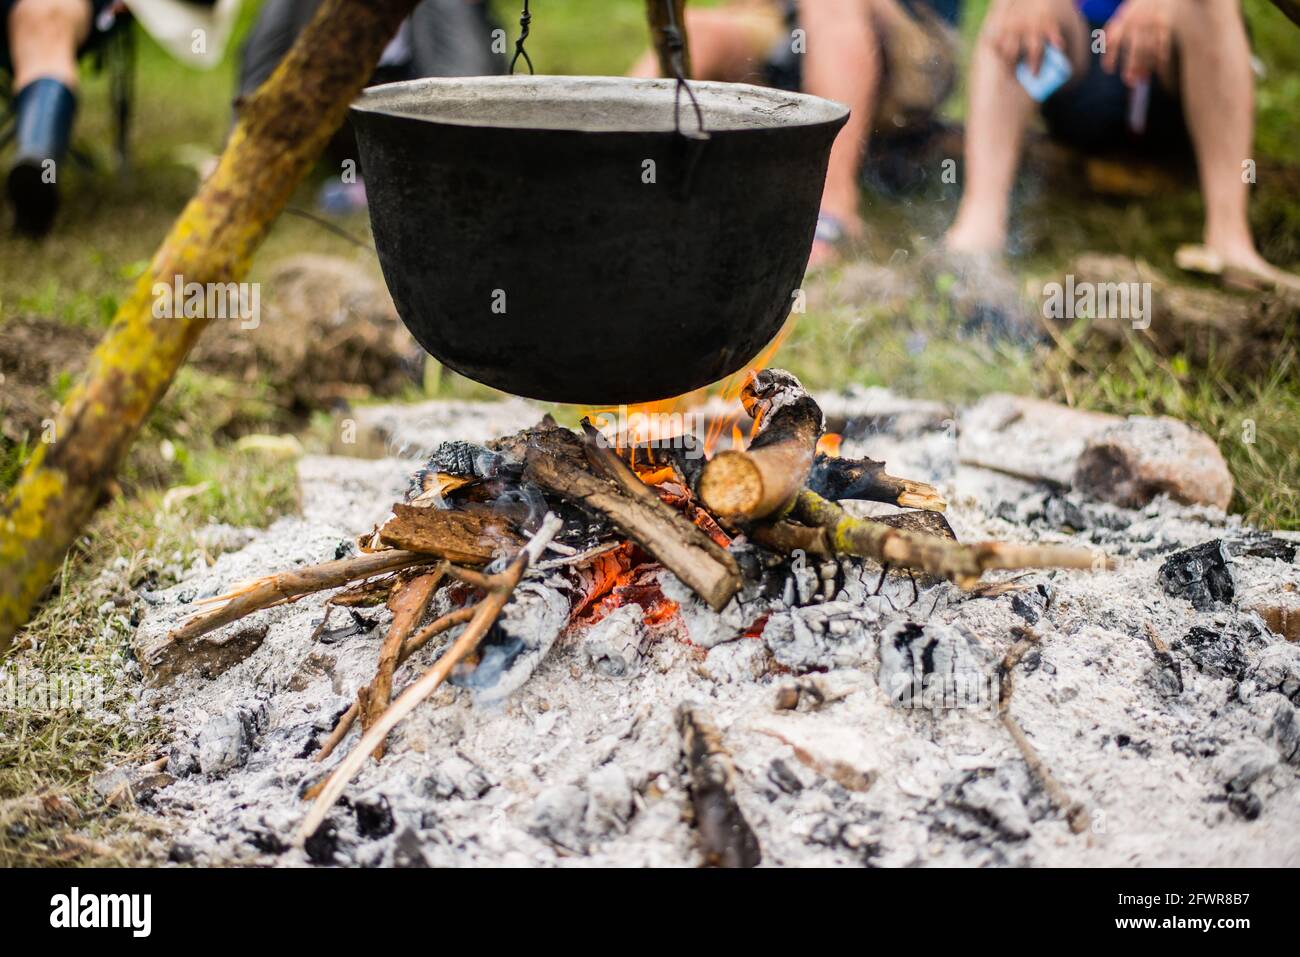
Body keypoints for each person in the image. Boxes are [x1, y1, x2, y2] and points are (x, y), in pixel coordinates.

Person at [944, 0, 1299, 292]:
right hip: (1081, 62)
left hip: (1176, 72)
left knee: (1211, 3)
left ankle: (1230, 239)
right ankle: (980, 226)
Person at [631, 0, 962, 268]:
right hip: (789, 26)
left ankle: (832, 209)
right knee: (699, 32)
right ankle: (618, 173)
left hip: (913, 35)